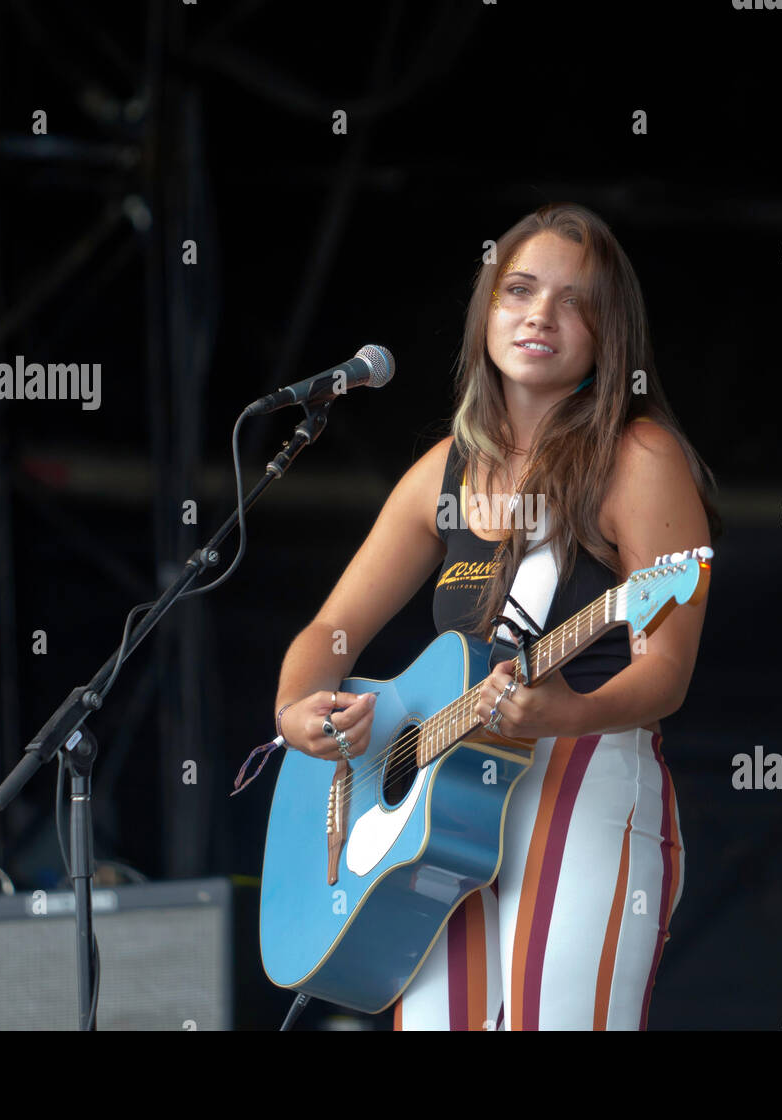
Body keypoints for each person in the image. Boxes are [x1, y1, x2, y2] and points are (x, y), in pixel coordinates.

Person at [271, 202, 722, 1029]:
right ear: (488, 310)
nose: (541, 314)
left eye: (574, 300)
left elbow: (667, 670)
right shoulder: (441, 473)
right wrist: (298, 709)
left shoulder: (640, 458)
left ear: (608, 332)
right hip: (443, 815)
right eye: (519, 290)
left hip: (581, 784)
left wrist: (568, 710)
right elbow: (327, 634)